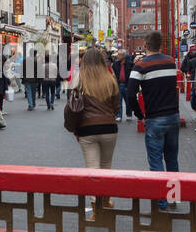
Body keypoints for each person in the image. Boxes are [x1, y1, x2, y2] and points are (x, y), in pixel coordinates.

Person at [128, 31, 180, 211]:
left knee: (156, 162)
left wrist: (139, 115)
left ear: (146, 45)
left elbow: (130, 94)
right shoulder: (170, 62)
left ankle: (162, 202)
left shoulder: (140, 66)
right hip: (173, 116)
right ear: (160, 45)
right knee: (172, 160)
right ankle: (173, 198)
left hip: (154, 117)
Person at [68, 46, 120, 220]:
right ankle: (106, 201)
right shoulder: (110, 78)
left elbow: (72, 109)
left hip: (87, 129)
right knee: (106, 167)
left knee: (93, 170)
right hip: (109, 128)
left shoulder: (78, 78)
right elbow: (116, 107)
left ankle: (96, 209)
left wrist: (75, 129)